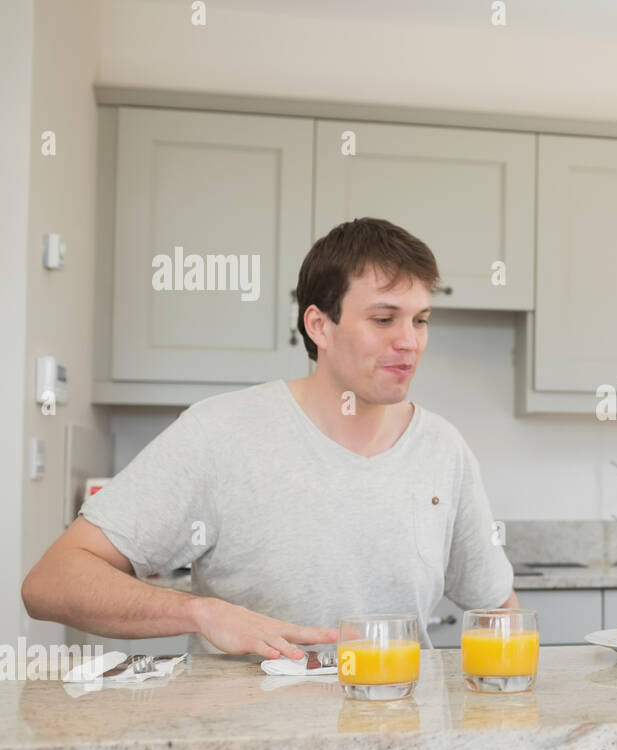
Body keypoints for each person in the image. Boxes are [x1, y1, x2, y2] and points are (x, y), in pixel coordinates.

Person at [22, 218, 516, 659]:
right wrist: (202, 614)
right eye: (384, 319)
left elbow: (498, 611)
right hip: (248, 745)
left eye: (421, 320)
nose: (409, 341)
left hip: (398, 735)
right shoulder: (221, 433)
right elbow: (52, 581)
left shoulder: (443, 449)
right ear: (319, 325)